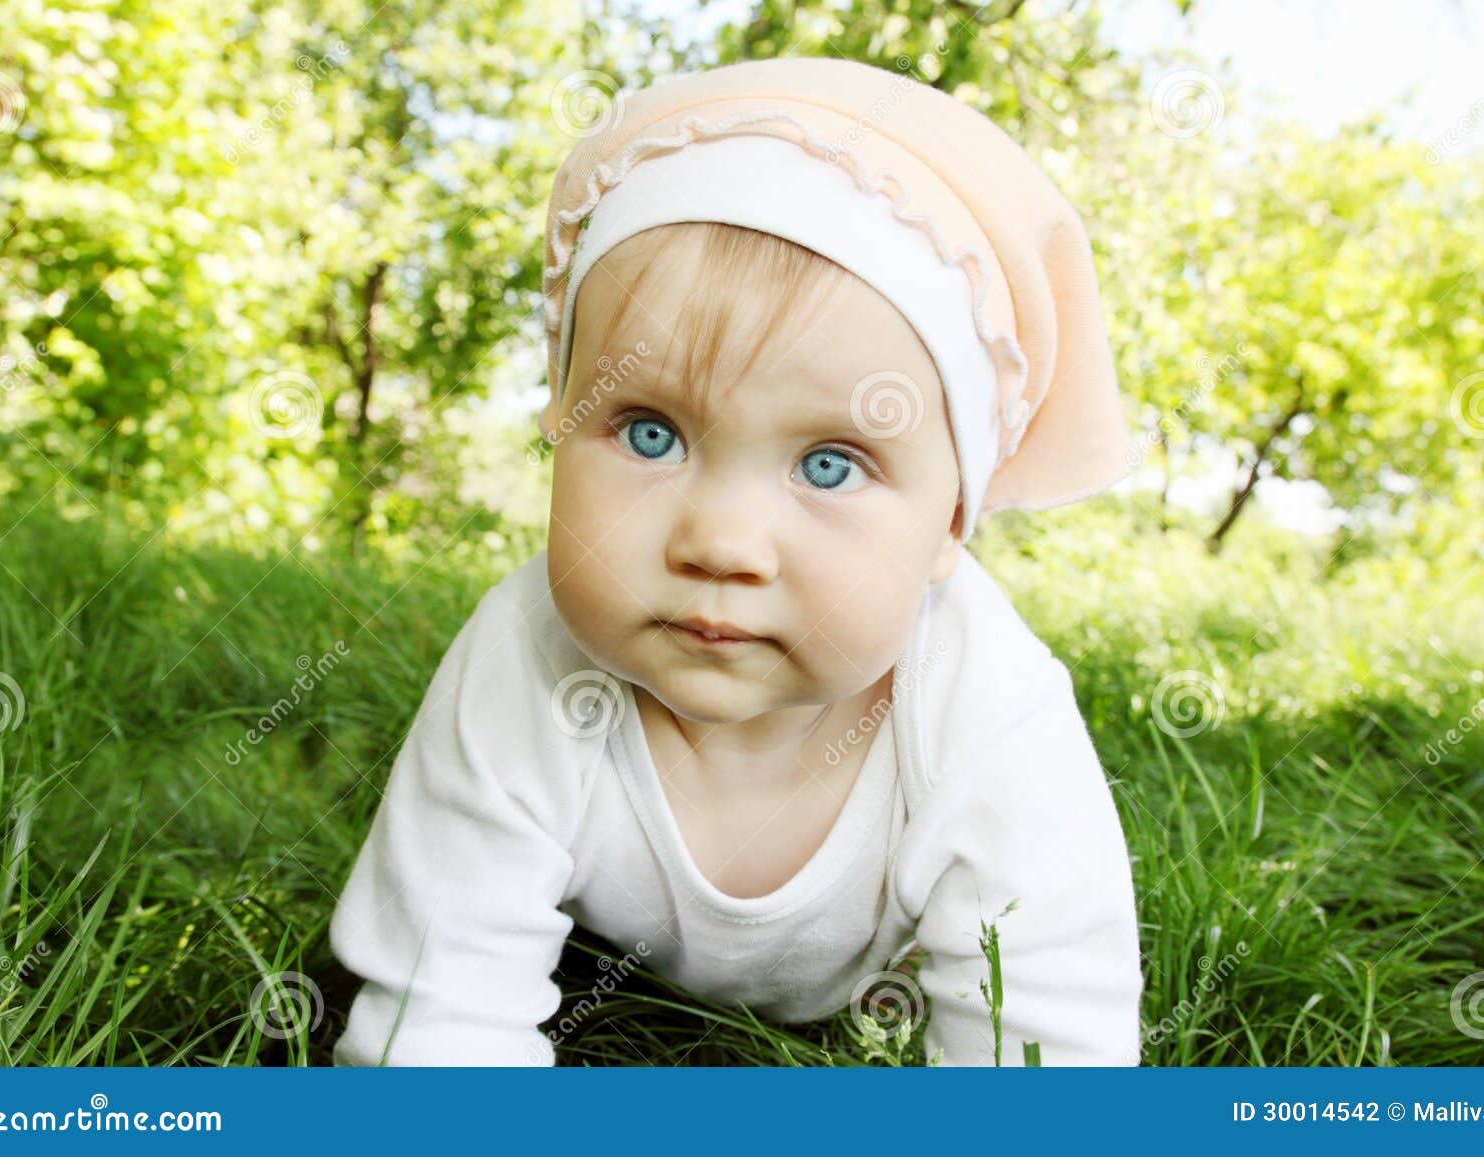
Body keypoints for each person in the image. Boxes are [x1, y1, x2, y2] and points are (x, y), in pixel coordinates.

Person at [328, 54, 1143, 1066]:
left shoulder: (987, 705)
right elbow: (436, 1013)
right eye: (650, 434)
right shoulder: (527, 656)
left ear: (950, 522)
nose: (718, 540)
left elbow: (1049, 1047)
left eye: (831, 463)